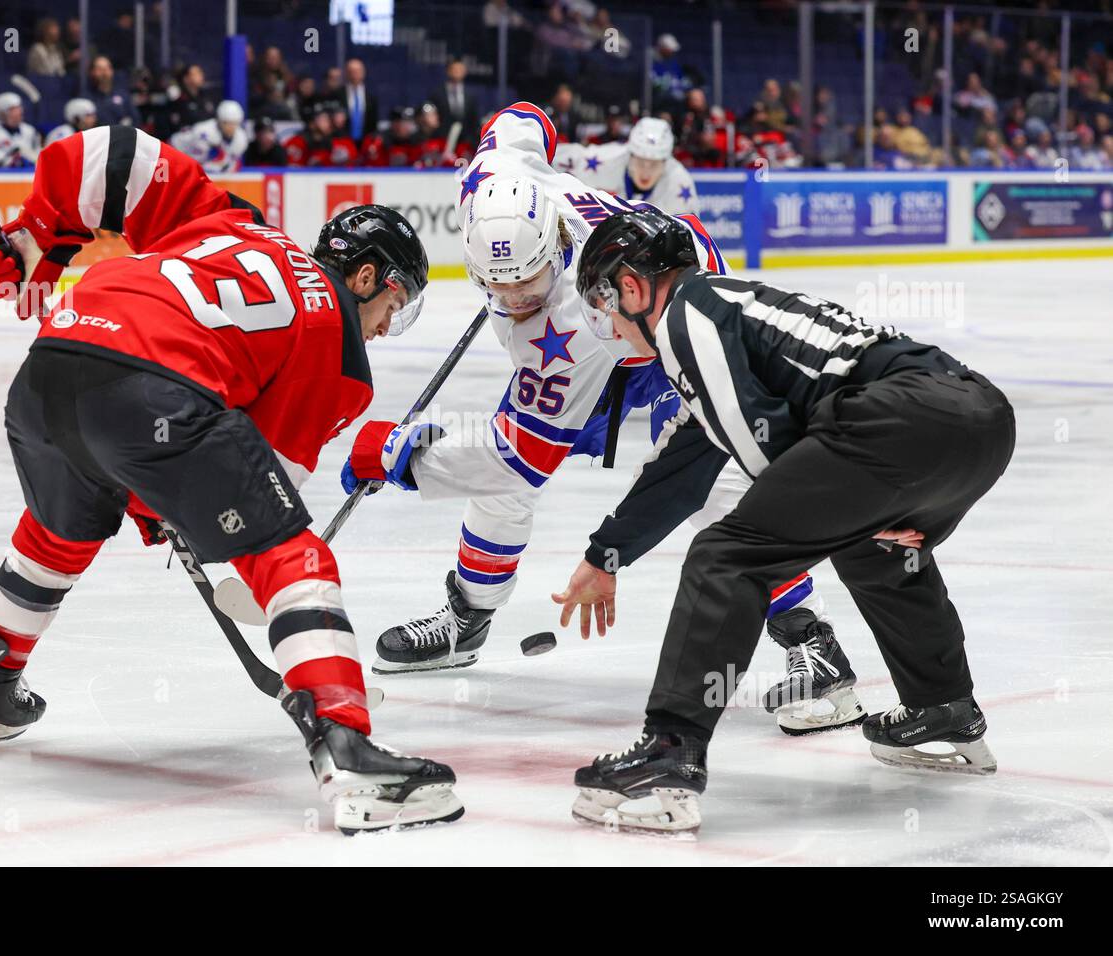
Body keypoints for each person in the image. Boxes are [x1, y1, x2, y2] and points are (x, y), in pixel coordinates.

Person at [0, 125, 462, 834]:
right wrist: (191, 522)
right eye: (390, 309)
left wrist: (39, 239)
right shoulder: (340, 352)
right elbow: (251, 524)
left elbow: (110, 156)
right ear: (366, 277)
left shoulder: (234, 221)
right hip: (152, 390)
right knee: (294, 555)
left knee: (60, 528)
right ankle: (348, 747)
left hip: (52, 365)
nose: (379, 329)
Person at [340, 103, 863, 737]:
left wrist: (401, 458)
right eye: (496, 286)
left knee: (711, 484)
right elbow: (523, 119)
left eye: (528, 281)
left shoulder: (573, 319)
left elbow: (523, 455)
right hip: (625, 295)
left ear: (557, 245)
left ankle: (816, 647)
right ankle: (467, 617)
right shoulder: (490, 175)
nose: (514, 300)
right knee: (501, 490)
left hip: (662, 323)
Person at [556, 208, 1015, 833]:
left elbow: (759, 446)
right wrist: (606, 553)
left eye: (605, 305)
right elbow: (690, 463)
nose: (609, 324)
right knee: (870, 548)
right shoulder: (729, 308)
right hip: (977, 416)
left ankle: (670, 754)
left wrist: (789, 526)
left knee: (726, 555)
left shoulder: (689, 313)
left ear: (631, 288)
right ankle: (943, 708)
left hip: (898, 418)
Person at [554, 117, 698, 215]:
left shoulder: (679, 184)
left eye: (654, 164)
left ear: (666, 162)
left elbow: (690, 242)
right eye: (641, 162)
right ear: (630, 156)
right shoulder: (604, 160)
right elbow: (553, 155)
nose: (646, 172)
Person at [171, 100, 248, 173]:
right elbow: (194, 163)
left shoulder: (241, 138)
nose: (230, 127)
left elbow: (231, 165)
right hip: (174, 150)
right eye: (226, 123)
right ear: (219, 120)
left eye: (234, 123)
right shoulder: (204, 132)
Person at [0, 92, 40, 167]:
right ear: (2, 113)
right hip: (3, 175)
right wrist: (10, 161)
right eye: (13, 109)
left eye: (19, 107)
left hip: (28, 174)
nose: (19, 111)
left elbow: (37, 153)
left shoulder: (29, 130)